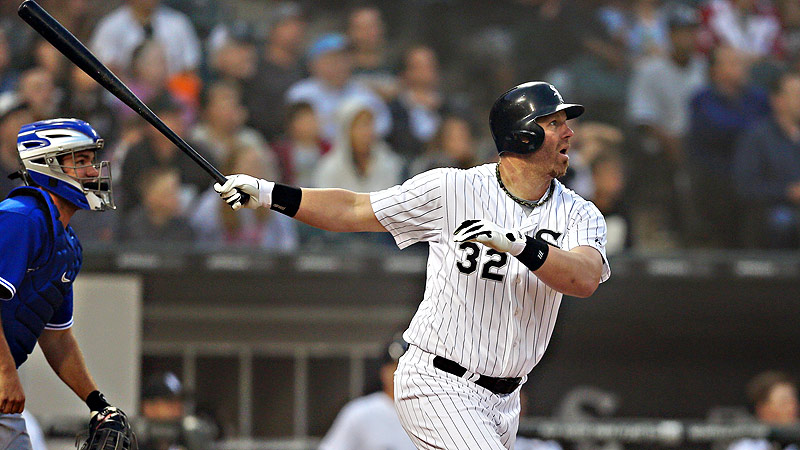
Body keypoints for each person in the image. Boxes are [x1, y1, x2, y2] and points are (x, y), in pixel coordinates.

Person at [215, 81, 610, 450]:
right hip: (439, 380)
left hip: (505, 399)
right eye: (554, 123)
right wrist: (268, 193)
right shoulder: (454, 189)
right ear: (523, 134)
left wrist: (521, 245)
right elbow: (353, 209)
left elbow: (585, 277)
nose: (569, 133)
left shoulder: (579, 213)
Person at [0, 118, 131, 449]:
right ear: (48, 165)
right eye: (81, 160)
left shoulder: (67, 245)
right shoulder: (21, 216)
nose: (93, 171)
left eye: (92, 160)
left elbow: (57, 337)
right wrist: (5, 372)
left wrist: (97, 403)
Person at [732, 70, 800, 248]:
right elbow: (746, 186)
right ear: (778, 101)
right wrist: (788, 192)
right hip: (773, 211)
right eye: (797, 95)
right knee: (783, 222)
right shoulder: (757, 138)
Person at [318, 335, 416, 450]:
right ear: (384, 372)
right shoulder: (360, 412)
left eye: (410, 368)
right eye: (396, 367)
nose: (404, 374)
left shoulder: (429, 412)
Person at [728, 371, 799, 450]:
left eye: (794, 401)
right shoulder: (746, 447)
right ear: (762, 408)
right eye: (784, 402)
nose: (793, 407)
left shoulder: (793, 446)